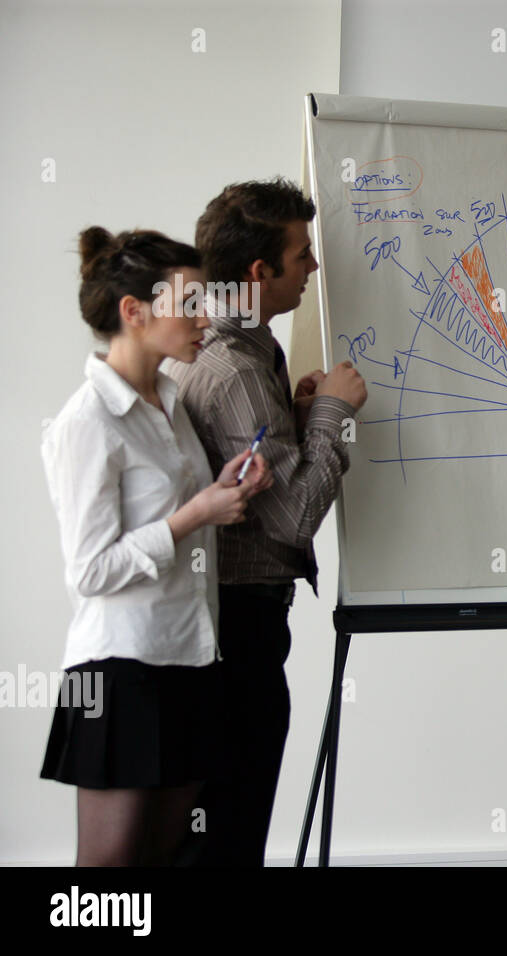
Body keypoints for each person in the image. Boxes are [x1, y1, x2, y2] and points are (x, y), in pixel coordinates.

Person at [40, 227, 271, 865]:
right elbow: (90, 571)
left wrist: (219, 490)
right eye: (191, 304)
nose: (206, 318)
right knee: (107, 874)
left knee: (160, 860)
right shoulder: (87, 422)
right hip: (122, 669)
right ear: (134, 312)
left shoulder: (168, 404)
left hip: (189, 659)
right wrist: (192, 517)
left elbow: (174, 511)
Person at [163, 178, 368, 866]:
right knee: (229, 833)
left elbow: (265, 478)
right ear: (260, 272)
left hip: (231, 627)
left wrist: (302, 415)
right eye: (302, 255)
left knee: (219, 829)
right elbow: (294, 518)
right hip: (241, 631)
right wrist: (335, 414)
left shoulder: (243, 354)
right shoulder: (240, 369)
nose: (313, 268)